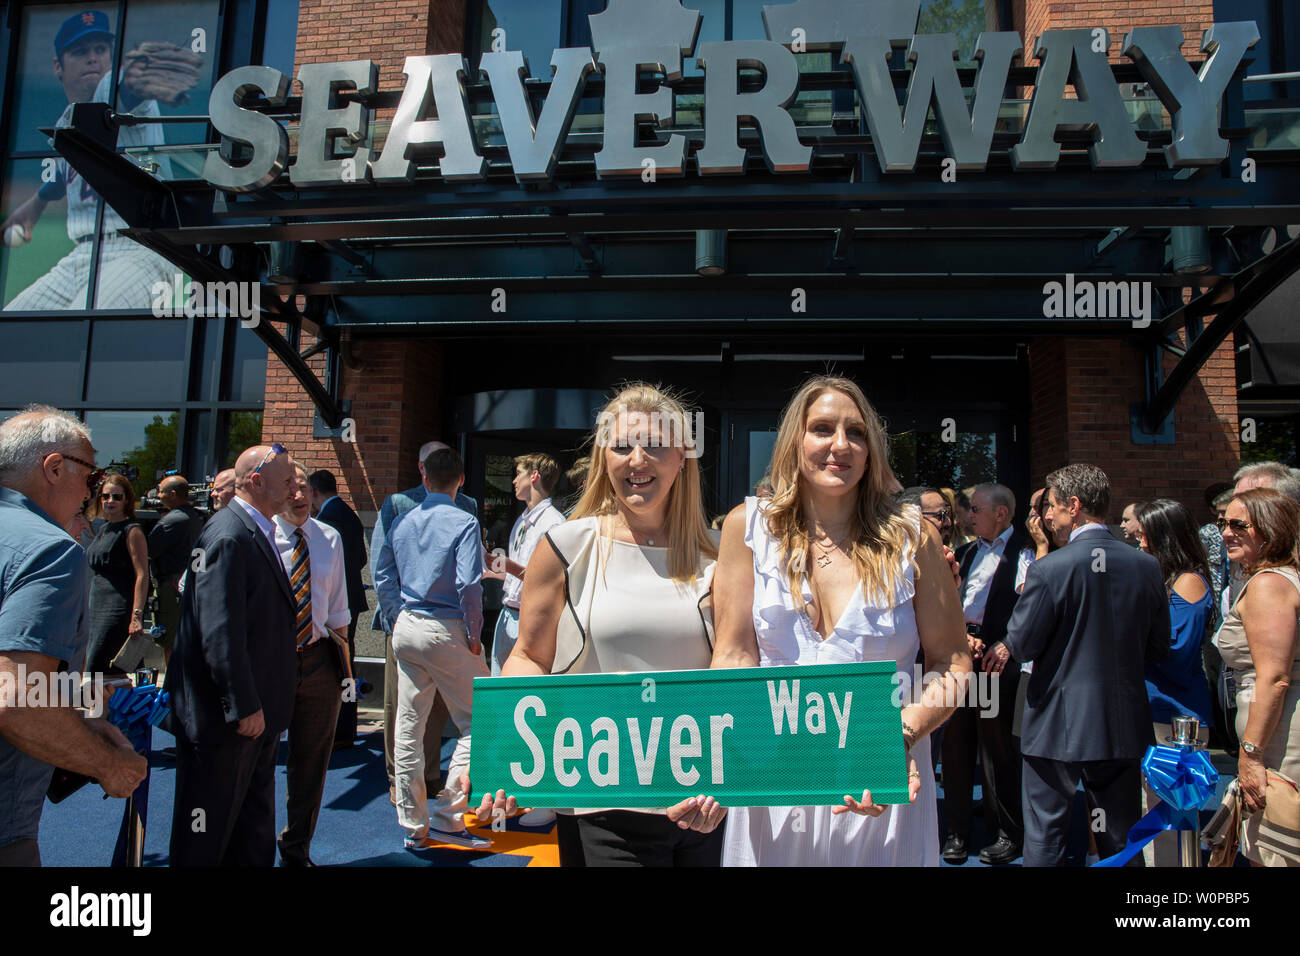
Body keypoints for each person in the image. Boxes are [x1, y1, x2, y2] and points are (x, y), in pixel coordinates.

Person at [710, 375, 971, 866]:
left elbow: (953, 662)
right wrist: (722, 756)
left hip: (883, 782)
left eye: (856, 433)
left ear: (872, 449)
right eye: (823, 428)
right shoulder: (747, 528)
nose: (840, 445)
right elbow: (733, 654)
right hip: (774, 779)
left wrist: (900, 735)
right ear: (795, 440)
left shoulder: (914, 538)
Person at [473, 384, 728, 866]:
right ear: (602, 458)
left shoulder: (722, 554)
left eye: (654, 446)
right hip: (601, 807)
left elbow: (738, 666)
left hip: (706, 807)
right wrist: (504, 749)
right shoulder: (565, 548)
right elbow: (528, 657)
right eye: (622, 446)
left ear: (682, 459)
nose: (638, 459)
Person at [0, 406, 147, 867]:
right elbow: (16, 698)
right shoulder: (49, 549)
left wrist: (77, 723)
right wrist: (108, 765)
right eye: (91, 473)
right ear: (55, 467)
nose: (93, 489)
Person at [1003, 464, 1170, 866]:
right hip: (1120, 723)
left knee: (1045, 836)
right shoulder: (1146, 566)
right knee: (1120, 837)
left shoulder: (1049, 568)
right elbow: (1159, 648)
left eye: (1054, 507)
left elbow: (1021, 645)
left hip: (1055, 724)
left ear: (1074, 507)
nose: (1047, 517)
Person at [1, 11, 193, 311]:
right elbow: (66, 172)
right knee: (13, 325)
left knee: (76, 326)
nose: (93, 58)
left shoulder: (113, 93)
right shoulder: (69, 119)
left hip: (141, 250)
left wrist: (139, 79)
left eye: (100, 49)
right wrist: (35, 204)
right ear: (58, 67)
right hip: (81, 257)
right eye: (80, 51)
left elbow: (125, 91)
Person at [164, 444, 298, 867]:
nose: (297, 488)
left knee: (250, 832)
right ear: (256, 481)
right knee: (206, 834)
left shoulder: (253, 530)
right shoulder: (229, 533)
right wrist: (241, 704)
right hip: (228, 724)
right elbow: (218, 629)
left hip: (255, 720)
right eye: (288, 480)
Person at [374, 446, 490, 851]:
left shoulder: (403, 521)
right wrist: (474, 632)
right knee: (484, 721)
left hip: (407, 625)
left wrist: (394, 618)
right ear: (461, 481)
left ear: (424, 479)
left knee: (409, 726)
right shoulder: (464, 521)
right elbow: (468, 584)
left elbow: (383, 574)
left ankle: (414, 824)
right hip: (447, 626)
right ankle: (448, 814)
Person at [1213, 488, 1300, 866]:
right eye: (1222, 523)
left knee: (1276, 853)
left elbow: (1274, 678)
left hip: (1278, 745)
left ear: (1271, 530)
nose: (1226, 533)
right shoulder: (1278, 579)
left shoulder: (1269, 585)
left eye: (1238, 525)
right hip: (1275, 739)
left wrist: (1250, 756)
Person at [944, 483, 1027, 865]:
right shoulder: (963, 553)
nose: (969, 516)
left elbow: (1032, 610)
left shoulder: (1024, 554)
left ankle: (1006, 833)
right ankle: (957, 833)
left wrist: (1003, 642)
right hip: (960, 659)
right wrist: (961, 636)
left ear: (1002, 514)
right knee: (956, 748)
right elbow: (943, 606)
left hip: (997, 664)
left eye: (977, 509)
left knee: (997, 753)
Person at [274, 464, 351, 866]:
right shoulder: (259, 537)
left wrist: (347, 674)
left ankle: (296, 849)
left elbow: (338, 609)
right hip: (271, 661)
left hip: (320, 660)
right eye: (290, 487)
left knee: (311, 762)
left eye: (304, 487)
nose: (299, 495)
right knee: (255, 758)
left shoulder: (330, 538)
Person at [1133, 498, 1214, 865]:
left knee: (1173, 813)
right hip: (1157, 709)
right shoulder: (1166, 579)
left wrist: (1127, 636)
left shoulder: (1189, 581)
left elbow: (1176, 651)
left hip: (1178, 716)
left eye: (1145, 533)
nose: (1139, 540)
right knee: (1154, 808)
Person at [308, 468, 368, 748]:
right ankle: (345, 726)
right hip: (349, 600)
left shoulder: (327, 521)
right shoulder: (350, 515)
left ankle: (337, 729)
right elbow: (361, 559)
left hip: (333, 602)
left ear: (314, 491)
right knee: (346, 663)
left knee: (336, 665)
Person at [491, 453, 565, 678]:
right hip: (507, 614)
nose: (513, 481)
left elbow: (544, 580)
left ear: (534, 476)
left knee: (523, 689)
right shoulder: (521, 521)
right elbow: (516, 578)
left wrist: (504, 564)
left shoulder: (553, 523)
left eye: (518, 474)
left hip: (531, 620)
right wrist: (492, 571)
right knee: (499, 690)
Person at [83, 474, 149, 675]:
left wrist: (136, 616)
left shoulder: (132, 530)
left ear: (127, 499)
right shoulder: (103, 528)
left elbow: (142, 575)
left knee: (102, 666)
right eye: (105, 496)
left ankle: (115, 705)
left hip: (117, 607)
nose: (110, 501)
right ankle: (107, 706)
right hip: (96, 604)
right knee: (98, 668)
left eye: (116, 497)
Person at [148, 474, 204, 665]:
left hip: (170, 589)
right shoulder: (196, 517)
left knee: (169, 638)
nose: (157, 496)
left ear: (172, 494)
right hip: (187, 585)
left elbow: (148, 551)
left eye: (160, 492)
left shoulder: (171, 521)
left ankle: (172, 687)